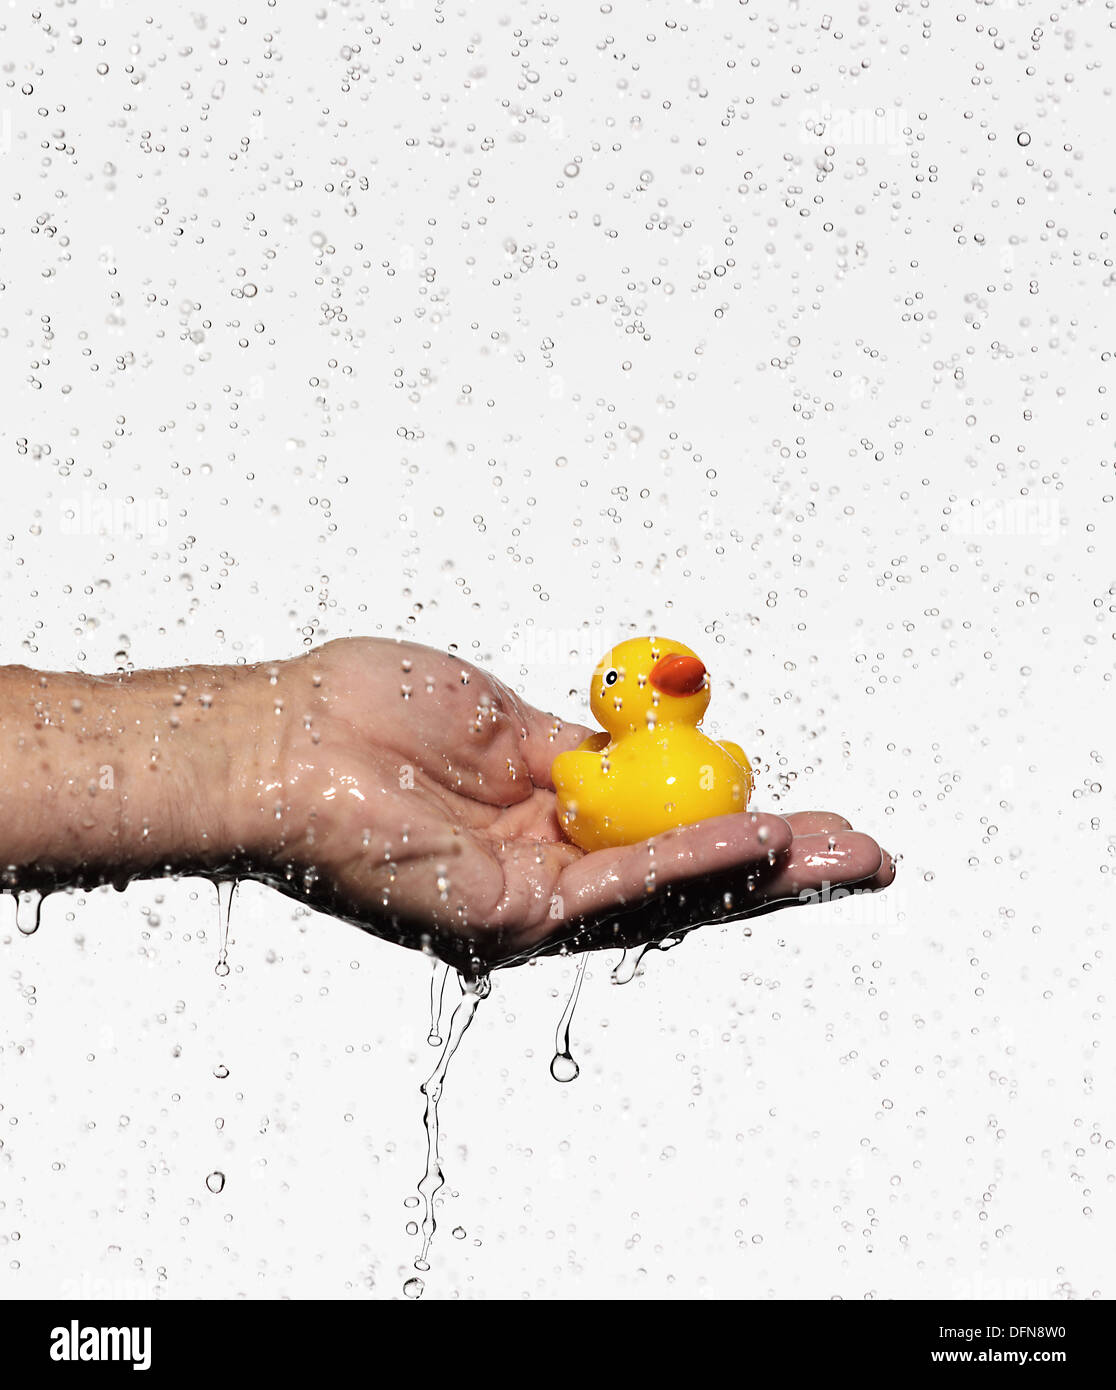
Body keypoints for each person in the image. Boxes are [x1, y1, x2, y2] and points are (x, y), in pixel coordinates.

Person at [0, 637, 893, 971]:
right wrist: (268, 748)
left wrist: (265, 747)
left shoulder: (613, 766)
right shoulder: (603, 770)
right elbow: (589, 784)